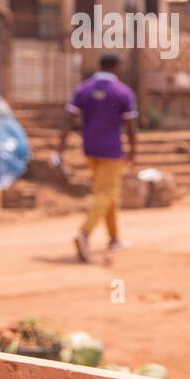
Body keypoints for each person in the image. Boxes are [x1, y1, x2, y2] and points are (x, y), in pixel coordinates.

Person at [59, 52, 138, 262]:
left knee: (108, 192)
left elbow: (68, 119)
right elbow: (131, 126)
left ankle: (114, 238)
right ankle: (84, 234)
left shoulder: (83, 89)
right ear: (117, 67)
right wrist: (133, 151)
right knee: (106, 192)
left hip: (90, 148)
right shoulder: (123, 91)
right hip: (111, 150)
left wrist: (61, 147)